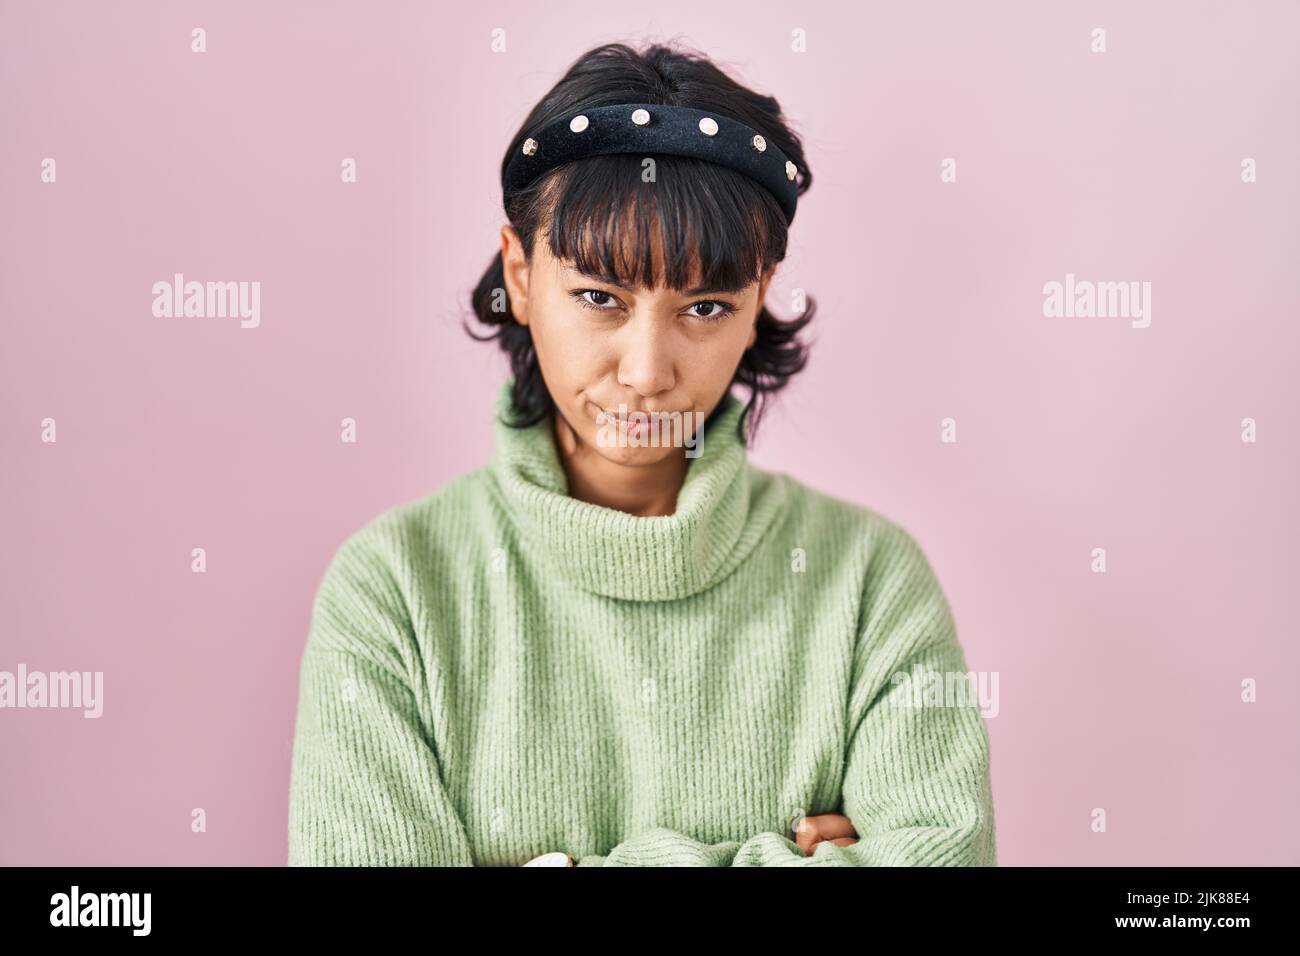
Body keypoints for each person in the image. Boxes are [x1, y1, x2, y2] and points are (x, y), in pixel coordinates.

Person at [287, 40, 996, 867]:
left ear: (760, 296)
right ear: (519, 274)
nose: (648, 372)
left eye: (703, 306)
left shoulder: (868, 583)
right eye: (598, 297)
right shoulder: (394, 593)